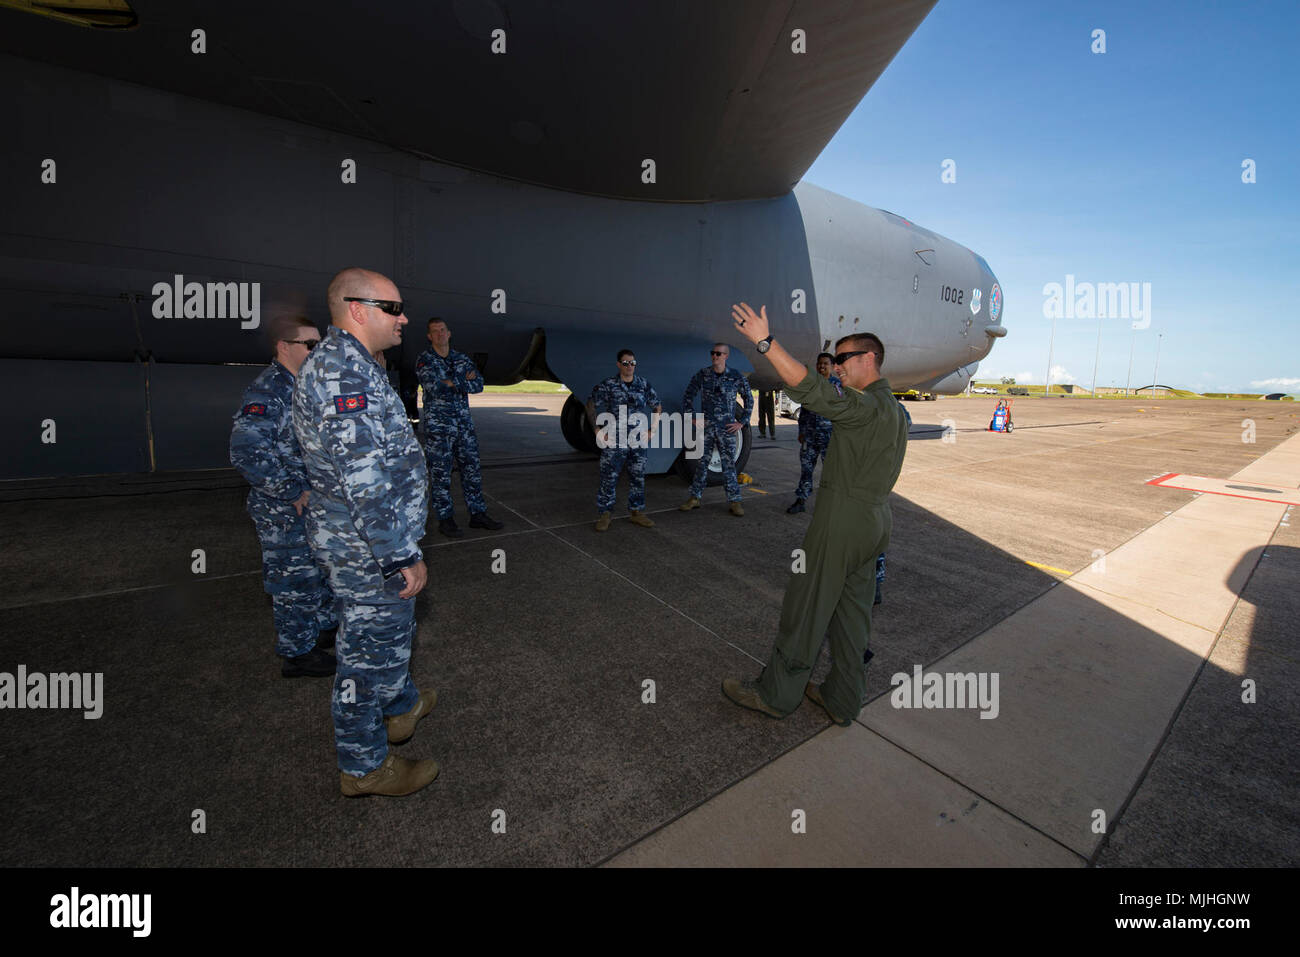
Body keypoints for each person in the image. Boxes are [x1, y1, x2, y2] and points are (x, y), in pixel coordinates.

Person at [721, 303, 907, 727]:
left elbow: (811, 390)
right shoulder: (893, 408)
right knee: (852, 617)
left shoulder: (866, 407)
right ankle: (843, 699)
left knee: (806, 609)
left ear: (868, 359)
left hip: (841, 522)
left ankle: (775, 694)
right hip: (875, 524)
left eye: (842, 360)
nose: (836, 368)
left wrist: (765, 342)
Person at [293, 267, 438, 798]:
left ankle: (399, 709)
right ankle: (363, 767)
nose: (405, 319)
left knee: (386, 639)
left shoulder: (356, 364)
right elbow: (364, 479)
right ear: (357, 309)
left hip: (363, 540)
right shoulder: (341, 374)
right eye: (393, 309)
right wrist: (400, 554)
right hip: (366, 547)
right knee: (363, 656)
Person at [230, 316, 337, 678]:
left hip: (310, 502)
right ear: (284, 347)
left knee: (317, 573)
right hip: (282, 508)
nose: (317, 351)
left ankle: (320, 629)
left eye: (320, 344)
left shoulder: (304, 385)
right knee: (294, 581)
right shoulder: (269, 390)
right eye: (310, 345)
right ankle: (297, 654)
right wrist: (290, 490)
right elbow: (246, 451)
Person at [415, 318, 504, 538]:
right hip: (440, 429)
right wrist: (461, 380)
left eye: (442, 330)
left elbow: (478, 384)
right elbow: (433, 387)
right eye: (435, 332)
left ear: (449, 333)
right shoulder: (425, 360)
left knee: (472, 471)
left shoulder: (460, 357)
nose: (439, 334)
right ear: (429, 336)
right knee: (441, 475)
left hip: (464, 427)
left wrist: (450, 382)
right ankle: (445, 519)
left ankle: (477, 514)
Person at [587, 349, 662, 531]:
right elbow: (590, 404)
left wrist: (653, 429)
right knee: (608, 477)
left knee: (637, 477)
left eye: (633, 363)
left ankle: (636, 513)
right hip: (615, 440)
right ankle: (605, 514)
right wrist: (597, 430)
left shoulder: (643, 384)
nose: (630, 366)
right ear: (619, 364)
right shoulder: (610, 384)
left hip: (637, 441)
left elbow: (657, 406)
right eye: (626, 363)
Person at [679, 342, 753, 516]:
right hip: (707, 428)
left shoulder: (735, 376)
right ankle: (694, 498)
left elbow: (749, 399)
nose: (715, 356)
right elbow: (688, 394)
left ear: (726, 356)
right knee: (701, 464)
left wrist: (742, 422)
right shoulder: (703, 375)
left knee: (729, 467)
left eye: (719, 354)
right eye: (713, 353)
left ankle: (734, 501)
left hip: (727, 430)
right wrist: (691, 417)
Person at [787, 352, 838, 514]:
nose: (822, 366)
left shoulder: (837, 386)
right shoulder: (811, 384)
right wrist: (801, 431)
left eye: (825, 364)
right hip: (810, 436)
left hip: (829, 438)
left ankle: (830, 504)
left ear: (832, 366)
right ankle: (801, 500)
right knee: (806, 469)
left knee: (831, 472)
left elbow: (842, 411)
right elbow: (804, 411)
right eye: (819, 364)